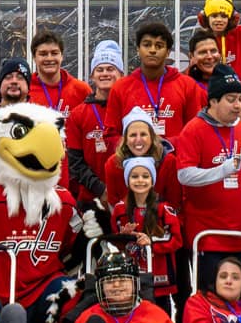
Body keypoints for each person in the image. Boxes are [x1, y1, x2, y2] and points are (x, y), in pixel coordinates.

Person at [171, 68, 241, 286]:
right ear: (213, 101)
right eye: (230, 99)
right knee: (210, 298)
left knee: (239, 297)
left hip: (239, 233)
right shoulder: (193, 130)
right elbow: (184, 175)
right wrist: (222, 170)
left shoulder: (240, 127)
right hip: (207, 234)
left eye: (240, 99)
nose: (238, 105)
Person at [105, 20, 205, 142]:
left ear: (168, 52)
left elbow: (195, 132)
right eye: (147, 45)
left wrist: (167, 146)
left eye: (159, 46)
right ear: (138, 49)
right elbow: (111, 135)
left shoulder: (187, 85)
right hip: (134, 154)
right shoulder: (121, 87)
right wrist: (134, 147)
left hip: (176, 154)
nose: (152, 50)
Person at [64, 40, 123, 204]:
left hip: (126, 195)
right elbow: (75, 163)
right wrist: (100, 189)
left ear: (121, 74)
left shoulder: (130, 110)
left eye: (111, 69)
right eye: (99, 69)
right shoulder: (78, 114)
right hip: (91, 198)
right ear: (92, 75)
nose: (105, 74)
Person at [113, 156, 183, 291]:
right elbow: (116, 243)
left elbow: (176, 240)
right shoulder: (120, 209)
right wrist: (123, 237)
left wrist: (151, 241)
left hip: (160, 274)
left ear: (152, 181)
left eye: (145, 176)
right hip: (131, 275)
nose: (140, 180)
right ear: (127, 181)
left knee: (160, 304)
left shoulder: (164, 209)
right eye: (134, 176)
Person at [26, 32, 88, 112]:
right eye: (43, 54)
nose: (49, 58)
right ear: (34, 58)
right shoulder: (26, 90)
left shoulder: (81, 90)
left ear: (61, 56)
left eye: (54, 53)